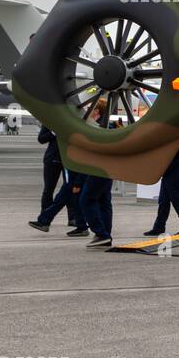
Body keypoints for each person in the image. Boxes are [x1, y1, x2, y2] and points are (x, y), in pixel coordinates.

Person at [79, 98, 115, 248]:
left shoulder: (97, 127)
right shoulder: (111, 126)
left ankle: (101, 233)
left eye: (91, 109)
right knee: (104, 202)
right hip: (110, 169)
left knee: (86, 200)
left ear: (97, 111)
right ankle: (105, 235)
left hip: (98, 168)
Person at [146, 135, 179, 236]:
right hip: (170, 173)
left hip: (174, 173)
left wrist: (162, 167)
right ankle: (159, 226)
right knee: (163, 201)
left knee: (177, 200)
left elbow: (176, 160)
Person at [28, 168, 89, 236]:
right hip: (73, 176)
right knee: (73, 202)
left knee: (61, 199)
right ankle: (82, 227)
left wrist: (78, 183)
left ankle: (44, 221)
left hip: (73, 177)